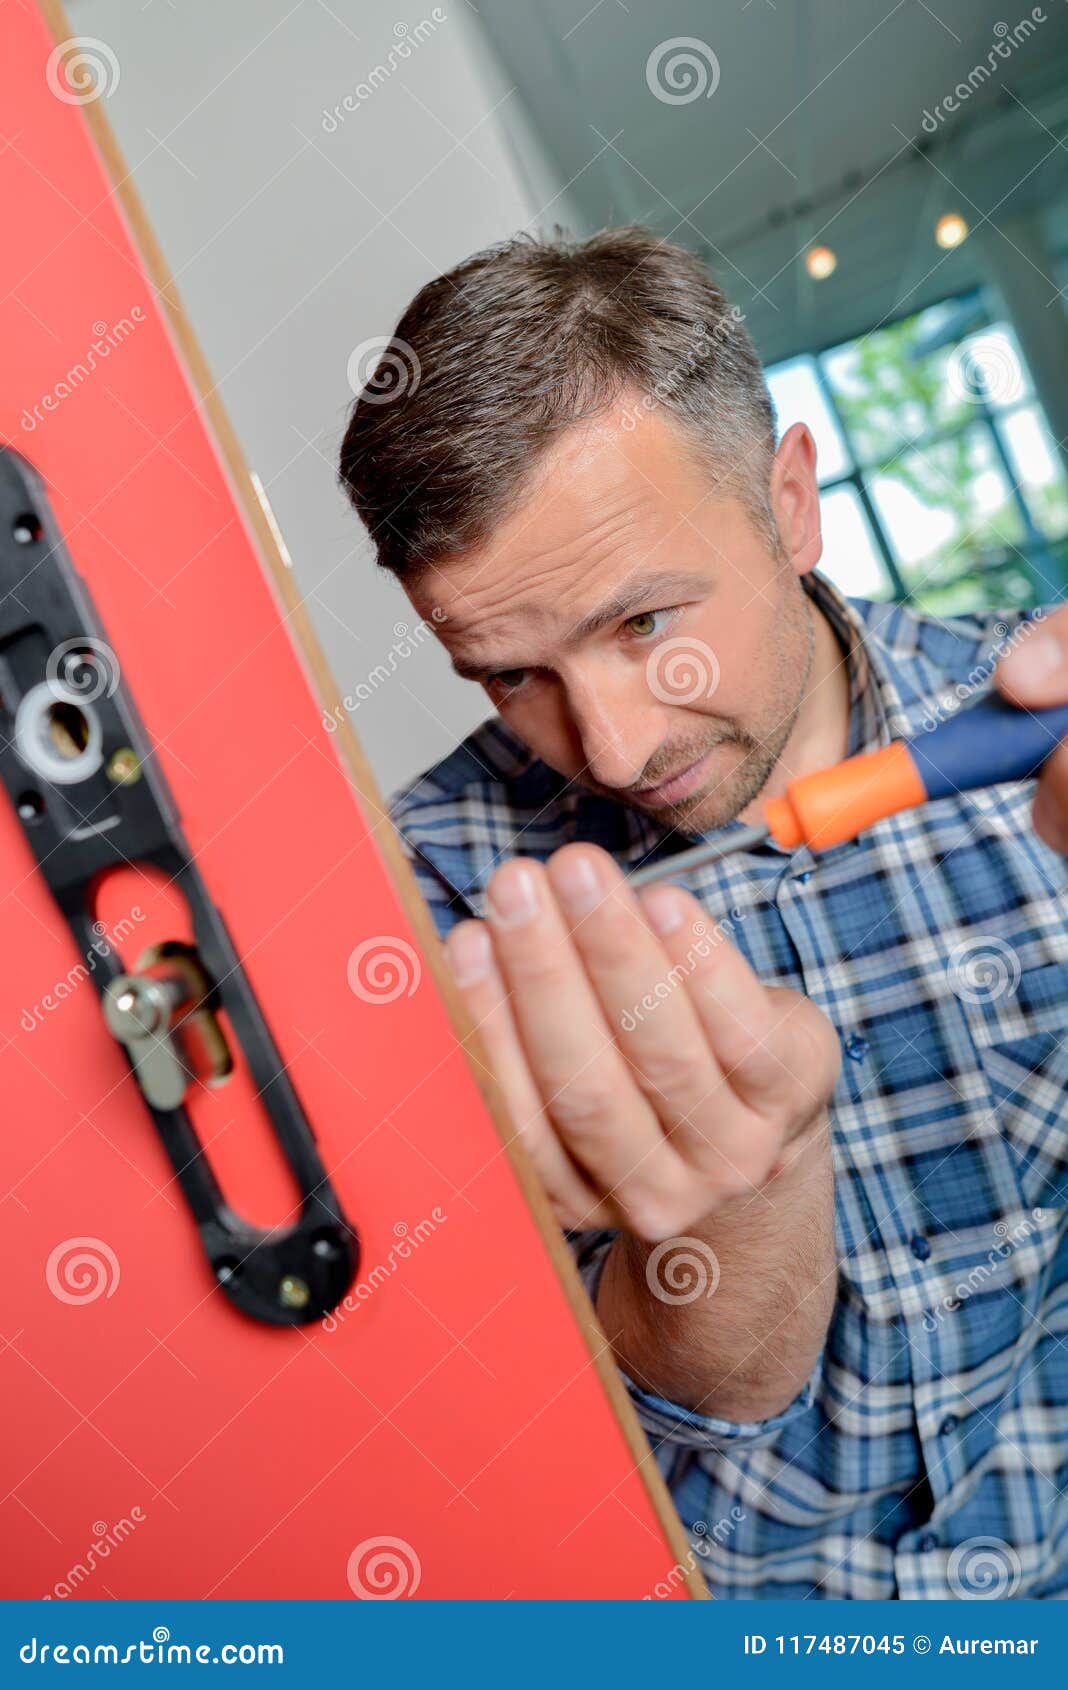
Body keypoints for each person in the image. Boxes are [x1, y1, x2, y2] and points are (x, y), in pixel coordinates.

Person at [338, 227, 1068, 1599]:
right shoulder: (415, 899)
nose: (610, 748)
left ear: (790, 502)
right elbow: (532, 1452)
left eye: (641, 623)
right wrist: (729, 1209)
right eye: (509, 676)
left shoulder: (1037, 740)